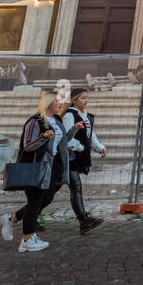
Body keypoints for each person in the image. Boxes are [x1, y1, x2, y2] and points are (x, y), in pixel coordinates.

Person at [1, 91, 70, 252]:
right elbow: (27, 145)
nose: (60, 103)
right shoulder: (35, 121)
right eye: (56, 101)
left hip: (52, 167)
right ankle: (27, 239)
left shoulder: (57, 121)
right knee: (35, 202)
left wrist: (74, 130)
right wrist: (43, 138)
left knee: (47, 199)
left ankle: (12, 219)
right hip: (36, 166)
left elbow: (61, 143)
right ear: (47, 103)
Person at [63, 88, 107, 234]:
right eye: (82, 98)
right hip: (70, 157)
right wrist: (79, 146)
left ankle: (83, 221)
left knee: (52, 194)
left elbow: (90, 136)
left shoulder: (85, 116)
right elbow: (66, 138)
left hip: (78, 157)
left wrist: (99, 147)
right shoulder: (70, 115)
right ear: (74, 100)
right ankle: (83, 220)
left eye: (86, 97)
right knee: (76, 186)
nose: (86, 100)